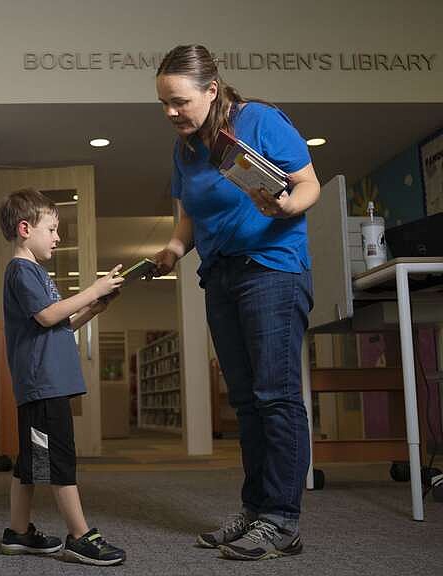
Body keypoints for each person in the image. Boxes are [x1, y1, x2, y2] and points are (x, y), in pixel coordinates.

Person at [152, 45, 320, 561]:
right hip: (221, 275)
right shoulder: (185, 150)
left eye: (179, 101)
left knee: (275, 395)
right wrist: (173, 249)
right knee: (246, 401)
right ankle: (256, 510)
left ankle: (282, 520)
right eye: (163, 103)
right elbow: (189, 216)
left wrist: (287, 204)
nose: (171, 112)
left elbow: (309, 184)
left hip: (271, 267)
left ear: (211, 89)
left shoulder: (260, 121)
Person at [0, 188, 127, 566]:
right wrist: (93, 289)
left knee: (33, 462)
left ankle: (18, 532)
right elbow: (47, 316)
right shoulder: (22, 270)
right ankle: (80, 536)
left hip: (42, 385)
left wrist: (94, 308)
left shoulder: (34, 272)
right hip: (44, 385)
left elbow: (59, 325)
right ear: (25, 229)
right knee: (59, 460)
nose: (57, 237)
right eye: (51, 229)